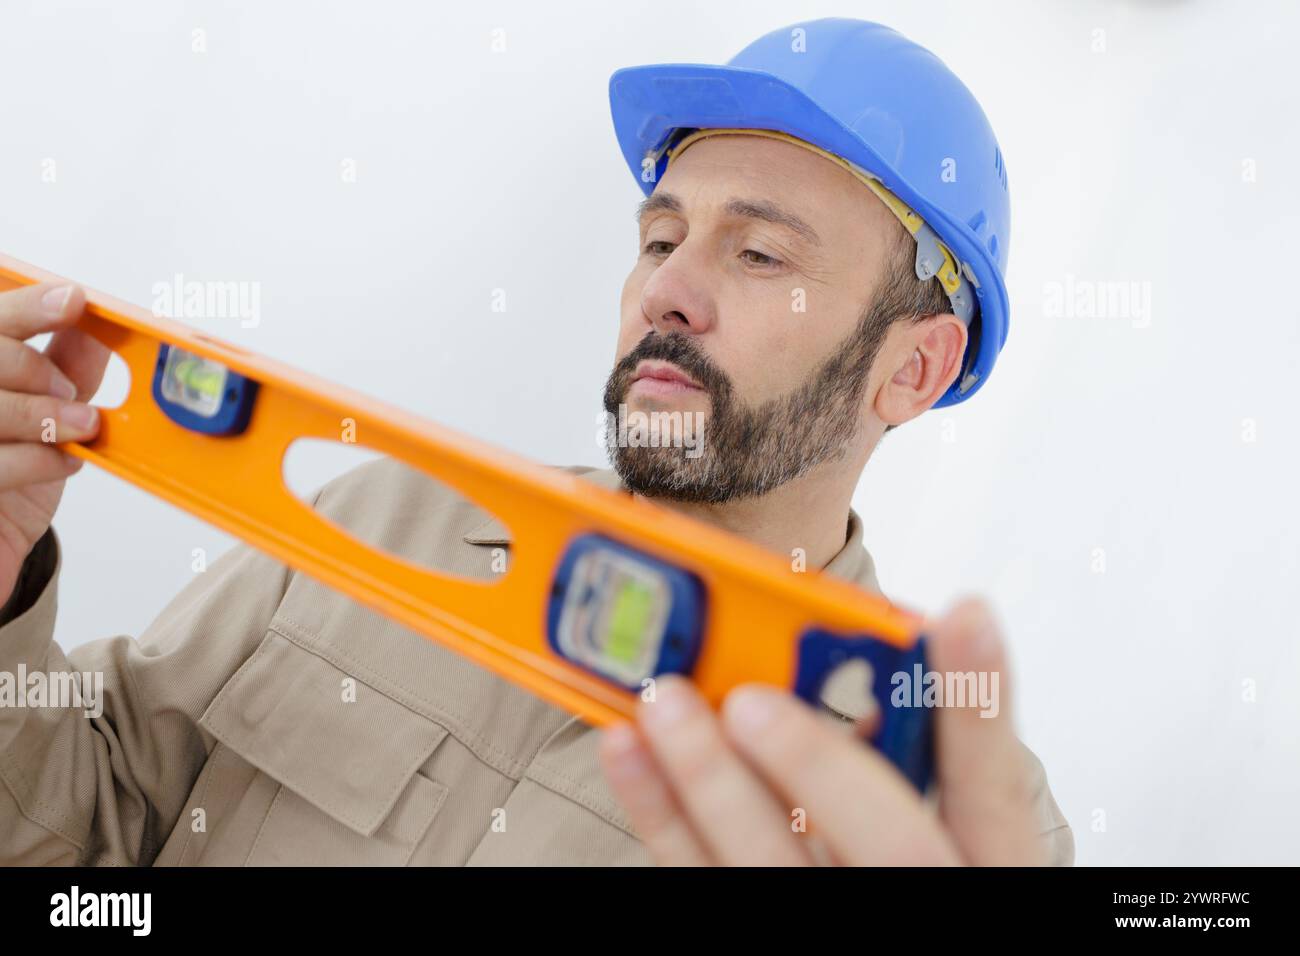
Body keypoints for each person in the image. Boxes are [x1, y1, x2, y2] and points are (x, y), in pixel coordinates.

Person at [0, 19, 1072, 866]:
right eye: (660, 237)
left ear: (914, 368)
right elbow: (83, 828)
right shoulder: (379, 521)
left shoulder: (942, 804)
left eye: (758, 255)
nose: (665, 290)